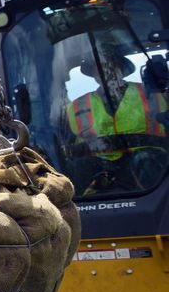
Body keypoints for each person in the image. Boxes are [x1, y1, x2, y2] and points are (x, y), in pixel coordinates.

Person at [65, 53, 167, 193]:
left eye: (112, 66)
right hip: (99, 167)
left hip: (150, 169)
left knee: (144, 159)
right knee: (76, 168)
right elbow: (69, 149)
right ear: (94, 75)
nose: (107, 71)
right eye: (99, 68)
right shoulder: (76, 106)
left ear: (123, 70)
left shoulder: (151, 93)